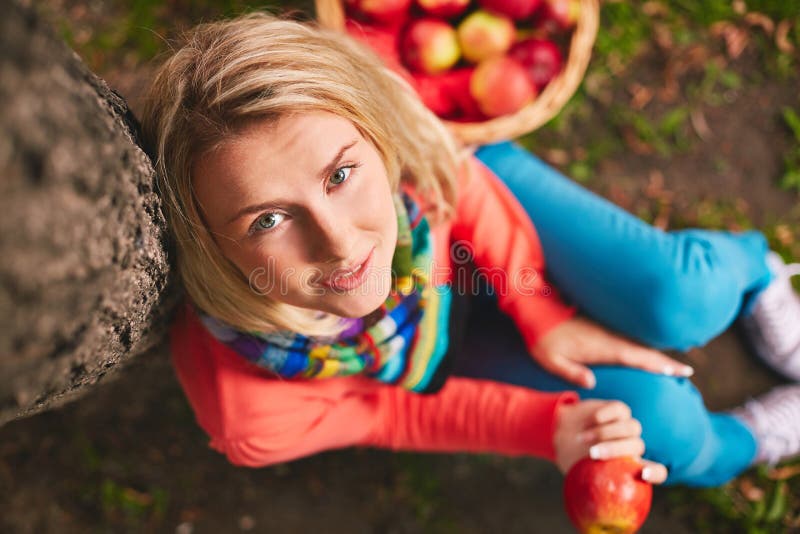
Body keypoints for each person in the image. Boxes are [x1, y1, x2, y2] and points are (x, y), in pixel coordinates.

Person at [139, 11, 800, 488]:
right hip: (429, 359)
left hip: (469, 232)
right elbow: (386, 414)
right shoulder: (251, 413)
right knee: (666, 425)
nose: (340, 244)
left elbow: (466, 193)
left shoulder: (414, 166)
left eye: (342, 176)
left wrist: (542, 314)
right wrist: (547, 429)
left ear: (379, 140)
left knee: (684, 296)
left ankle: (756, 269)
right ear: (208, 239)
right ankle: (746, 444)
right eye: (269, 221)